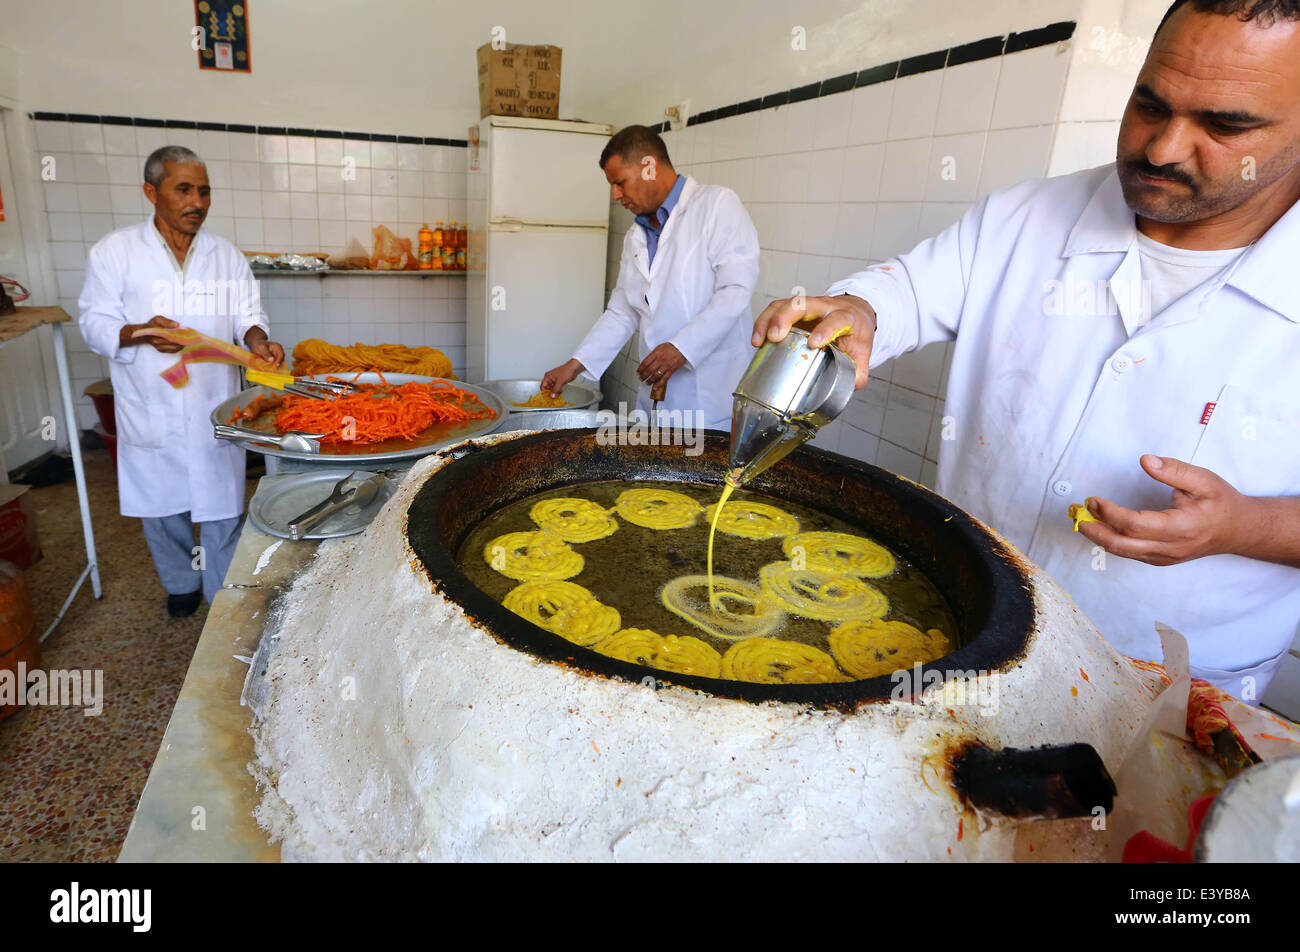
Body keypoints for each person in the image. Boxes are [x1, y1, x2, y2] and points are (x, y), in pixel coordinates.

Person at [753, 0, 1300, 701]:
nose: (1162, 148)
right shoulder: (1026, 219)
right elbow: (909, 294)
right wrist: (861, 309)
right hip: (971, 626)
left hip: (1169, 682)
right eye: (1150, 104)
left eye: (1225, 125)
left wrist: (1245, 526)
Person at [79, 145, 283, 617]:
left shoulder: (225, 255)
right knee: (161, 504)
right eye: (184, 190)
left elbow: (248, 314)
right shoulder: (115, 252)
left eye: (204, 191)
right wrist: (141, 333)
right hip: (150, 398)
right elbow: (94, 322)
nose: (197, 202)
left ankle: (219, 592)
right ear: (151, 192)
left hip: (213, 397)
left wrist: (257, 341)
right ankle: (180, 583)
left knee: (222, 505)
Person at [541, 125, 759, 430]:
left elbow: (735, 290)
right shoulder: (637, 235)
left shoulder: (716, 206)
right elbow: (622, 311)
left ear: (649, 167)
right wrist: (575, 366)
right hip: (656, 400)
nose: (615, 195)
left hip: (711, 401)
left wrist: (681, 348)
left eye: (619, 182)